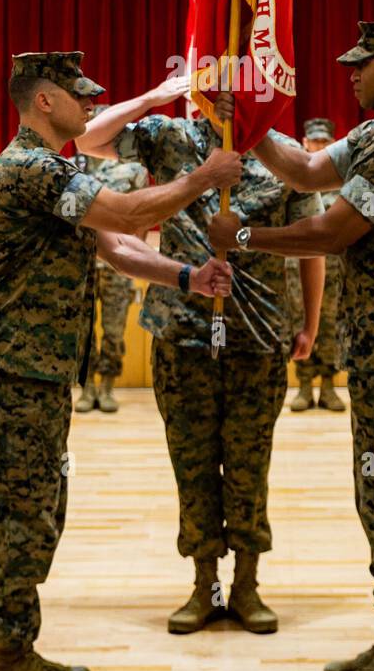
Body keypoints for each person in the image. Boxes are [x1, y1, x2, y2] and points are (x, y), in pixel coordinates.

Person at [0, 51, 239, 671]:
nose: (91, 103)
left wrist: (184, 277)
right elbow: (127, 214)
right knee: (24, 509)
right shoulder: (30, 167)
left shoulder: (62, 167)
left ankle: (16, 648)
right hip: (10, 362)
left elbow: (114, 243)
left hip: (36, 362)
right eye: (79, 94)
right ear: (45, 100)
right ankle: (5, 661)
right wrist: (201, 177)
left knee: (41, 506)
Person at [209, 22, 374, 671]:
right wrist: (252, 128)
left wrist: (247, 235)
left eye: (364, 64)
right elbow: (304, 172)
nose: (350, 74)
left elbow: (331, 228)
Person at [78, 95, 325, 635]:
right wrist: (154, 95)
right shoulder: (171, 139)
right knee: (191, 466)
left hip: (257, 336)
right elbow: (87, 139)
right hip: (182, 334)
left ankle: (247, 585)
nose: (229, 96)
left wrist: (310, 322)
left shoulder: (284, 157)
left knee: (248, 467)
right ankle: (205, 582)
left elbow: (311, 245)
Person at [76, 105, 149, 414]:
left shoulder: (132, 169)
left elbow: (143, 216)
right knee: (83, 326)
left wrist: (136, 252)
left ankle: (107, 385)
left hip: (119, 259)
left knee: (114, 326)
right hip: (82, 261)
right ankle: (87, 386)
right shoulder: (73, 167)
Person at [286, 118, 344, 412]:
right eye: (315, 141)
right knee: (300, 320)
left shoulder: (344, 183)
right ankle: (305, 385)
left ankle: (330, 386)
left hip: (335, 268)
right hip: (300, 267)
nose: (319, 146)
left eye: (324, 141)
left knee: (332, 323)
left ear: (332, 144)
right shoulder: (293, 182)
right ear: (304, 143)